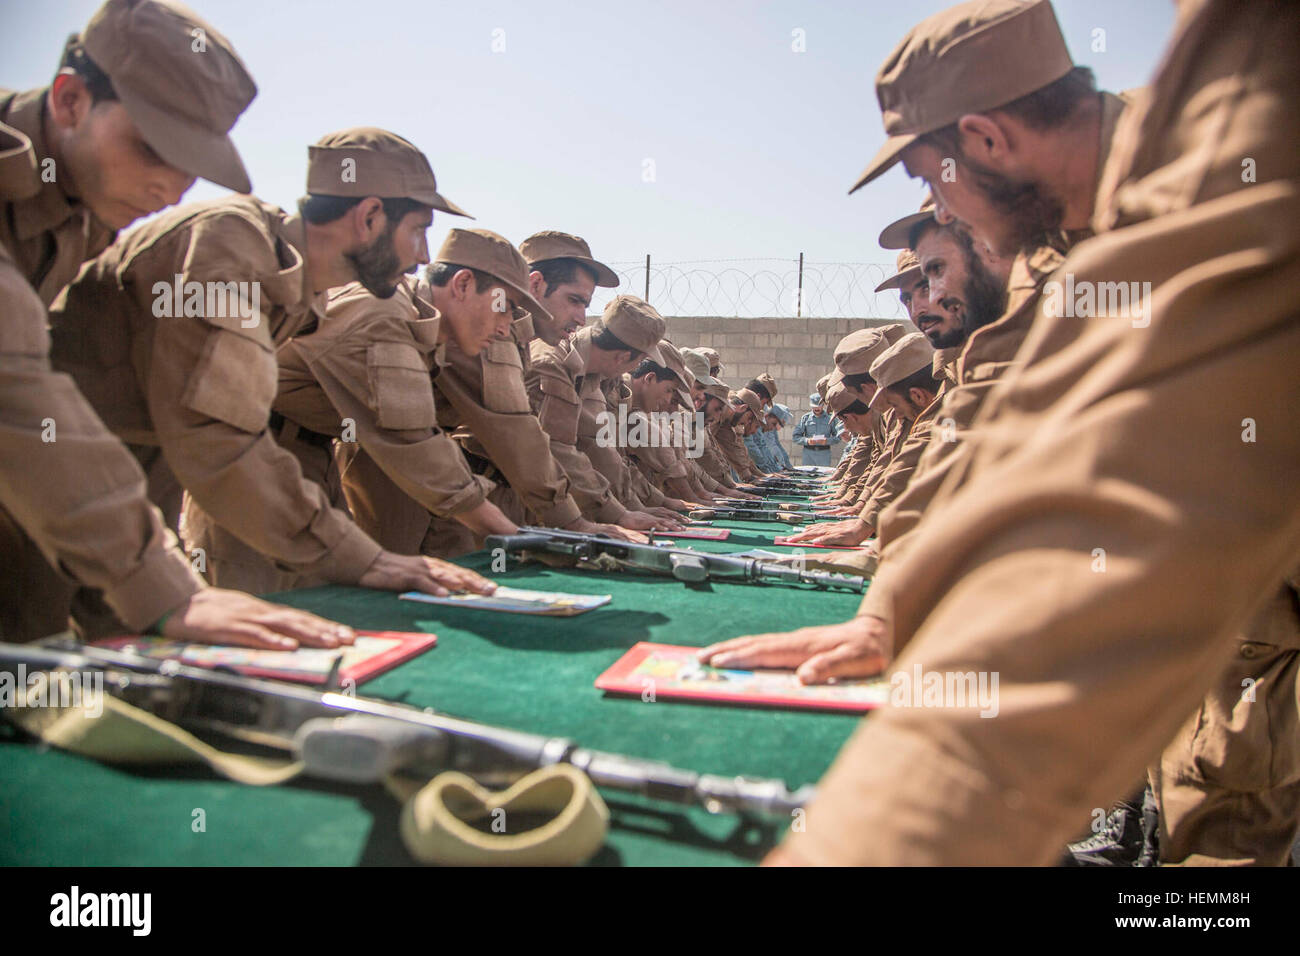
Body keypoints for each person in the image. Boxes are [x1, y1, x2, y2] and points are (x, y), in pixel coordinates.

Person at [732, 0, 1300, 865]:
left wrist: (879, 837)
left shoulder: (1219, 155)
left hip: (1261, 591)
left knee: (1225, 824)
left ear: (987, 139)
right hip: (1232, 567)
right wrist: (893, 608)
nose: (938, 211)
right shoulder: (1052, 253)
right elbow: (989, 422)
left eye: (932, 181)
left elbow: (1146, 469)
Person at [1, 0, 351, 650]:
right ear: (71, 99)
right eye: (153, 149)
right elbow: (13, 388)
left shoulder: (83, 204)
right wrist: (163, 590)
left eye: (192, 164)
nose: (172, 188)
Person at [51, 127, 494, 603]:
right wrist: (365, 559)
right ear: (369, 217)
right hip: (55, 465)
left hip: (124, 470)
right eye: (418, 230)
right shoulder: (232, 243)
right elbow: (220, 441)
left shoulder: (298, 285)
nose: (424, 256)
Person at [791, 394, 839, 466]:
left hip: (824, 454)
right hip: (808, 454)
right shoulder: (805, 418)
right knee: (807, 472)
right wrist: (807, 441)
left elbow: (838, 437)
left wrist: (826, 441)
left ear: (823, 405)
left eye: (819, 406)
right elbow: (795, 437)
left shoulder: (830, 418)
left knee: (823, 473)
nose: (817, 408)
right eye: (814, 406)